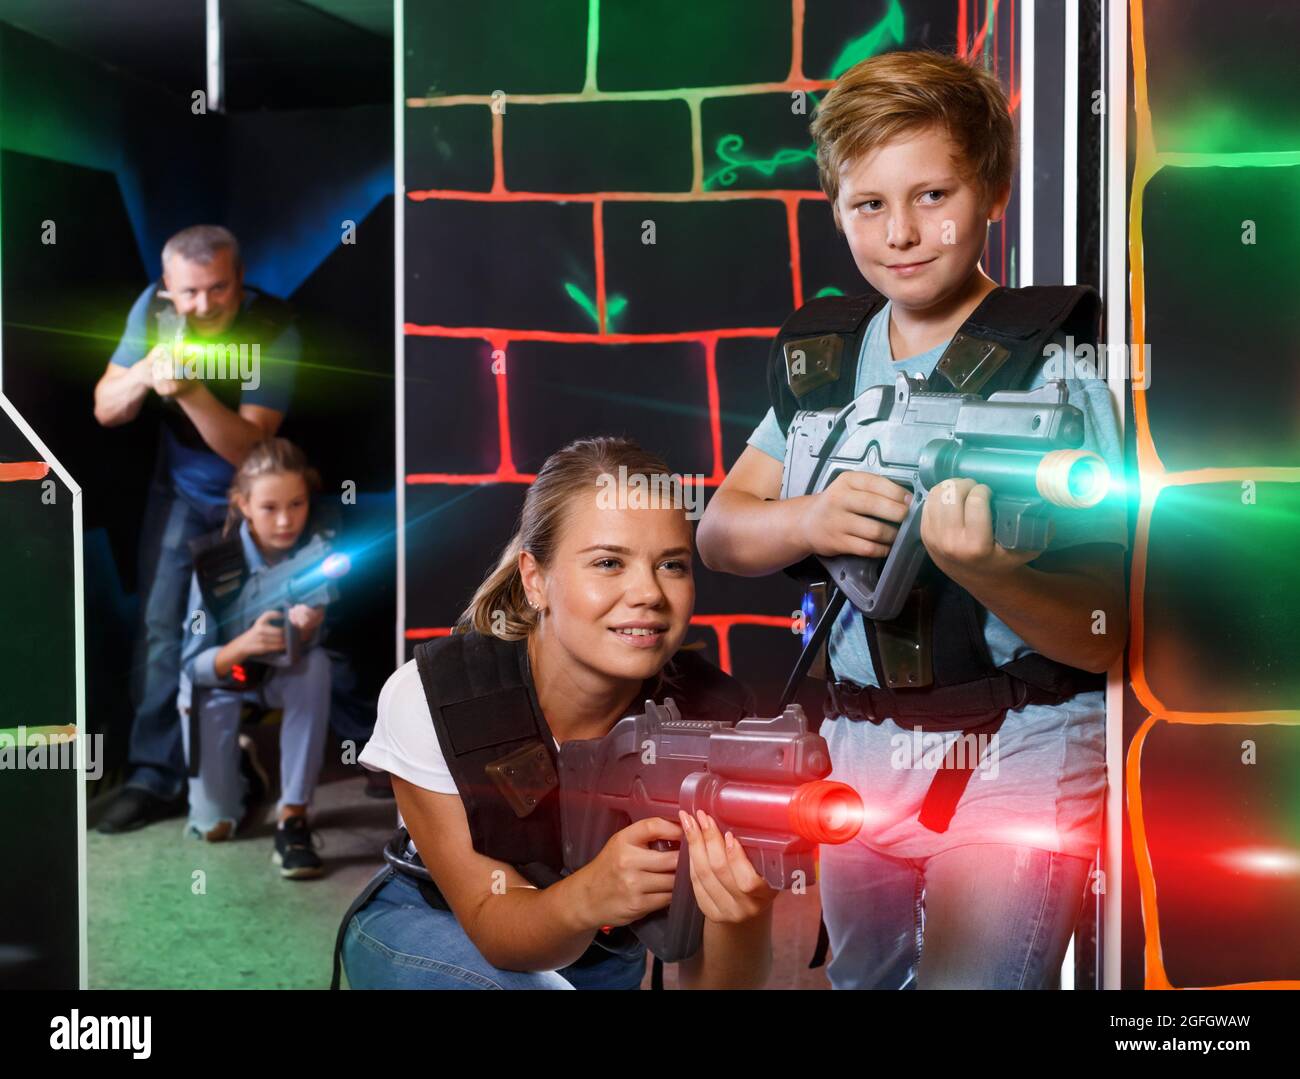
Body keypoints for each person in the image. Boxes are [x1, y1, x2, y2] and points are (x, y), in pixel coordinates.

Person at [695, 50, 1128, 989]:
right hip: (862, 746)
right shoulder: (825, 358)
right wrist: (809, 518)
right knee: (862, 980)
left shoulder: (1054, 361)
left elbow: (1106, 639)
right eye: (869, 204)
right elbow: (719, 533)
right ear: (837, 206)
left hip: (1019, 736)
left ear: (994, 192)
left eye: (934, 195)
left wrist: (986, 568)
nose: (902, 232)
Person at [339, 437, 778, 989]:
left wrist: (745, 911)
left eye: (671, 564)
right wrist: (594, 892)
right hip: (428, 924)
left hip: (597, 956)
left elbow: (711, 981)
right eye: (608, 562)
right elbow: (495, 928)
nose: (648, 593)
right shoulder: (434, 696)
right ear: (535, 579)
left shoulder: (718, 721)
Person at [93, 225, 300, 833]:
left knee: (260, 636)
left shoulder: (273, 324)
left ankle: (244, 766)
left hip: (258, 503)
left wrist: (185, 388)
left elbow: (250, 446)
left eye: (218, 289)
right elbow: (106, 407)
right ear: (168, 286)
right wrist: (145, 373)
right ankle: (154, 775)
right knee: (161, 629)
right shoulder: (153, 309)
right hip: (180, 495)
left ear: (239, 281)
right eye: (189, 293)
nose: (203, 305)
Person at [178, 438, 333, 878]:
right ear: (242, 504)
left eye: (297, 504)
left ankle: (293, 816)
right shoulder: (211, 563)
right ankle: (245, 770)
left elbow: (322, 640)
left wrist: (307, 629)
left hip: (283, 671)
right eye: (269, 508)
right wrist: (243, 646)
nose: (286, 521)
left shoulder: (315, 550)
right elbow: (192, 665)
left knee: (317, 666)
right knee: (215, 826)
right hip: (218, 678)